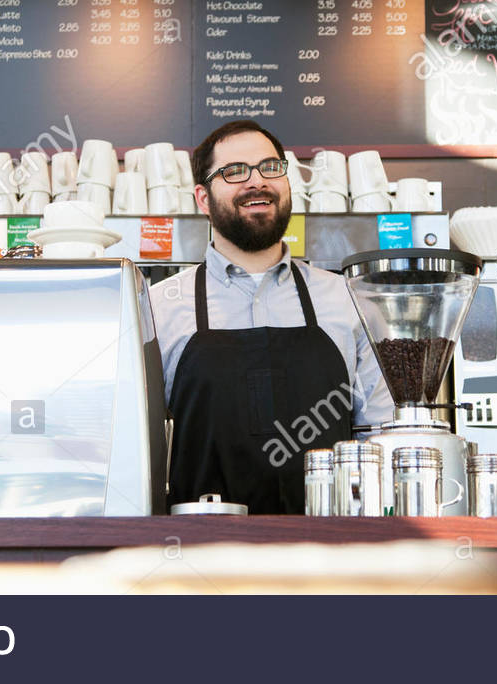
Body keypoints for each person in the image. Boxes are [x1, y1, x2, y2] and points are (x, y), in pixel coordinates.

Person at [149, 120, 393, 514]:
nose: (256, 182)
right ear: (203, 198)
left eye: (270, 167)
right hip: (198, 553)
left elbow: (378, 436)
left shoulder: (348, 300)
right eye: (234, 172)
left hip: (329, 554)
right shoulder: (158, 308)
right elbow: (140, 445)